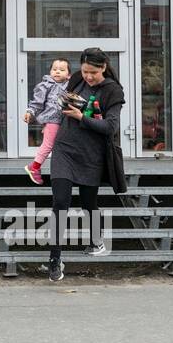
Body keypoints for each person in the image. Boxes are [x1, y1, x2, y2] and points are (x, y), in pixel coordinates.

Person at [45, 48, 126, 283]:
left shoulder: (113, 90)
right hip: (65, 148)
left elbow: (111, 127)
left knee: (89, 202)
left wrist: (81, 117)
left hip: (92, 155)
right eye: (85, 70)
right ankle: (54, 259)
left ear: (103, 68)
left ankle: (96, 239)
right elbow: (67, 100)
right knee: (60, 202)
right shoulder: (77, 78)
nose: (88, 76)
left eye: (93, 72)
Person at [23, 57, 71, 185]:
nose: (57, 72)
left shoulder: (70, 85)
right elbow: (37, 103)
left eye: (62, 69)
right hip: (52, 120)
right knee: (48, 145)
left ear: (68, 74)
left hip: (65, 121)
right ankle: (34, 167)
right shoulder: (45, 85)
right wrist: (30, 112)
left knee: (61, 145)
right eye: (54, 69)